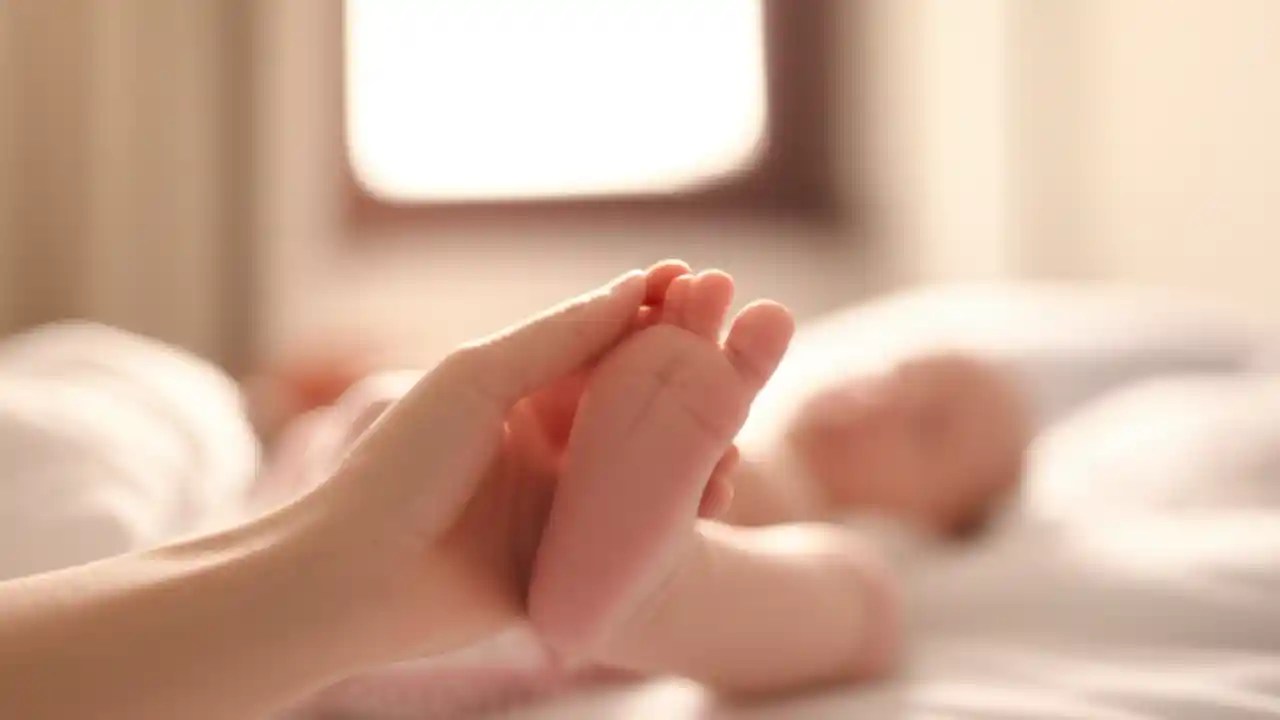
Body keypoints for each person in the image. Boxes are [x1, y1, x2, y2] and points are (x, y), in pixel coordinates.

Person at [0, 262, 1030, 719]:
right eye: (891, 374)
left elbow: (855, 602)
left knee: (856, 603)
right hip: (348, 499)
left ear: (945, 519)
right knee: (144, 392)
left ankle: (656, 578)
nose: (876, 399)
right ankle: (616, 564)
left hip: (509, 588)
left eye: (926, 425)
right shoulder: (714, 416)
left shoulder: (861, 534)